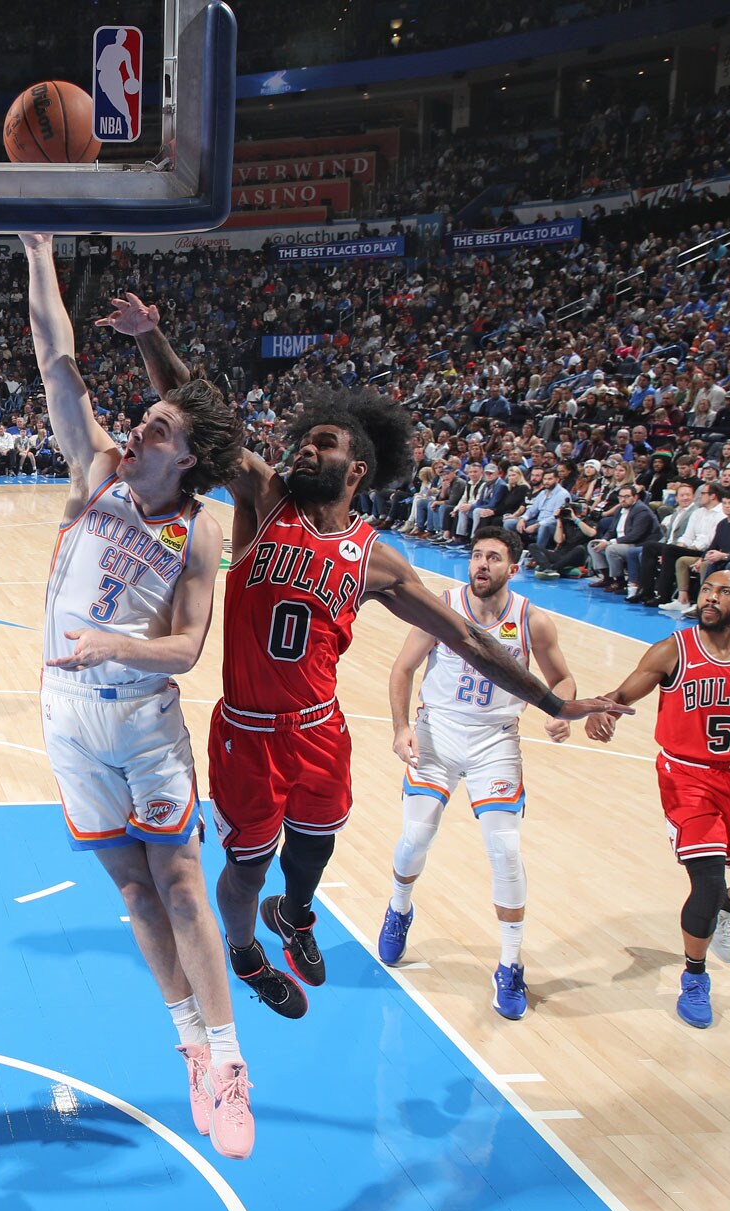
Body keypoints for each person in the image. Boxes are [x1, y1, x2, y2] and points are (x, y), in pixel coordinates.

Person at [104, 293, 625, 1018]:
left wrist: (555, 701)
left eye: (323, 444)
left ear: (357, 470)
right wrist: (152, 335)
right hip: (248, 731)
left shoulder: (375, 559)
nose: (304, 451)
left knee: (312, 852)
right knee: (246, 868)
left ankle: (300, 914)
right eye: (304, 441)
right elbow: (202, 415)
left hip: (320, 728)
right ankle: (246, 949)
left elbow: (468, 637)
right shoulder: (264, 499)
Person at [21, 233, 254, 1157]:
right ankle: (190, 1044)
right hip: (67, 720)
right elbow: (55, 359)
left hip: (145, 720)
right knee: (132, 888)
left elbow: (192, 647)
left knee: (182, 884)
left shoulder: (202, 531)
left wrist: (119, 644)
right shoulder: (98, 471)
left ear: (190, 459)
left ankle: (231, 1060)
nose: (146, 425)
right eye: (149, 416)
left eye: (164, 426)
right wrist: (39, 251)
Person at [377, 528, 578, 1019]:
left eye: (494, 557)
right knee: (416, 836)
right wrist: (402, 727)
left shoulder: (533, 620)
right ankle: (400, 907)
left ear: (515, 568)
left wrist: (561, 709)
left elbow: (562, 678)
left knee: (505, 851)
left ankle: (510, 965)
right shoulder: (440, 607)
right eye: (476, 555)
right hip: (438, 733)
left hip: (495, 740)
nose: (482, 564)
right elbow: (402, 669)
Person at [585, 571, 730, 1029]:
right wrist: (606, 710)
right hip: (686, 776)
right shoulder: (674, 649)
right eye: (708, 589)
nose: (711, 597)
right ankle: (695, 977)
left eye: (724, 592)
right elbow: (623, 691)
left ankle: (727, 909)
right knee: (707, 879)